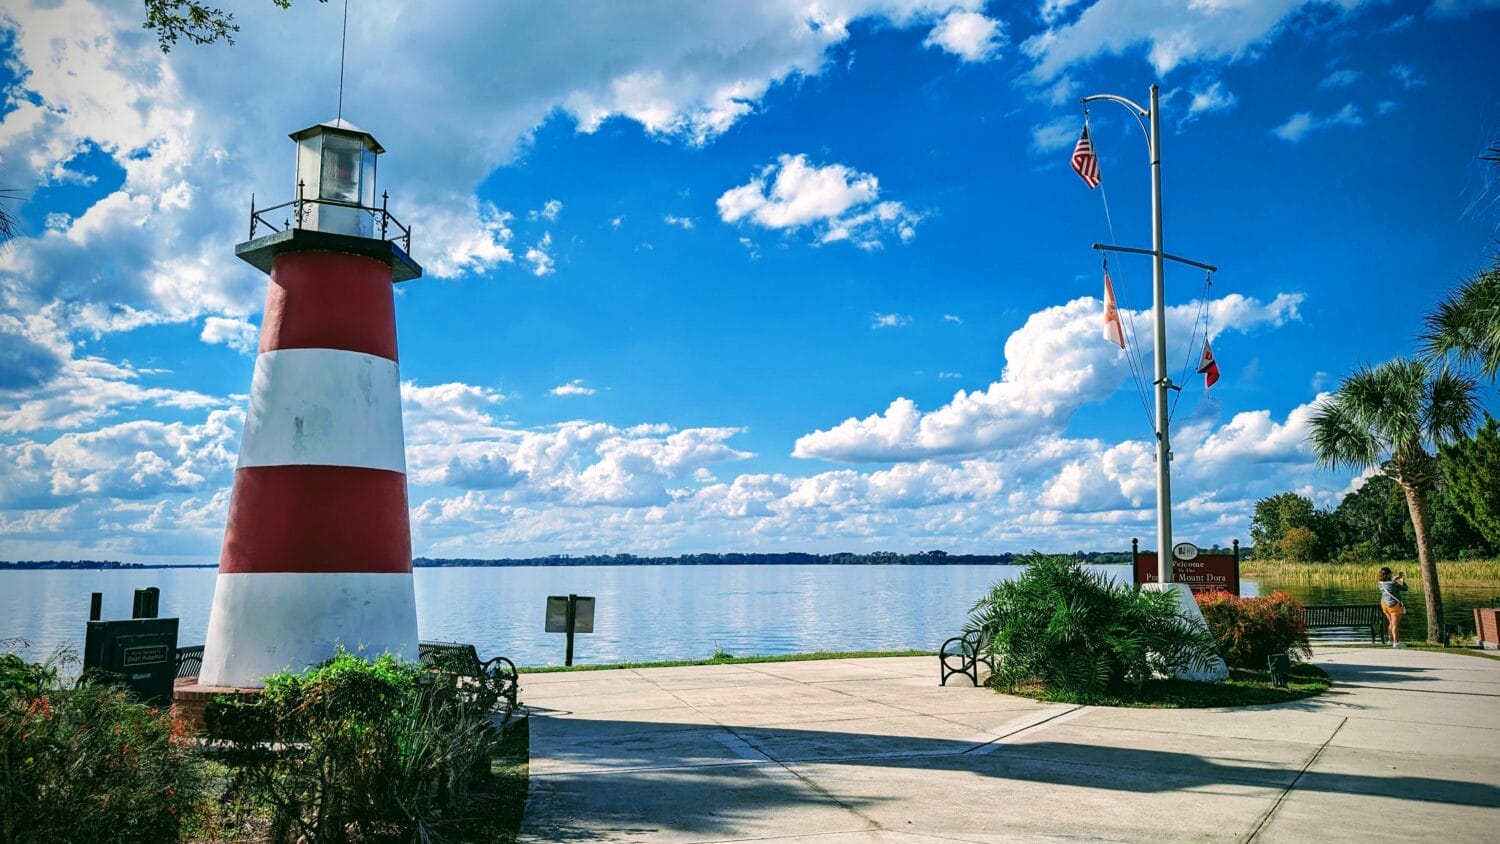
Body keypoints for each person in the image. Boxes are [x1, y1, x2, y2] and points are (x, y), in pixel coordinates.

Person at [1377, 566, 1409, 647]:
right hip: (1393, 605)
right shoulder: (1393, 583)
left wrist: (1394, 579)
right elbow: (1405, 588)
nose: (1391, 574)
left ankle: (1390, 640)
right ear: (1388, 575)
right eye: (1390, 573)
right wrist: (1402, 581)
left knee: (1391, 623)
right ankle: (1396, 642)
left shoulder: (1380, 583)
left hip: (1384, 604)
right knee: (1395, 624)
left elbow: (1389, 585)